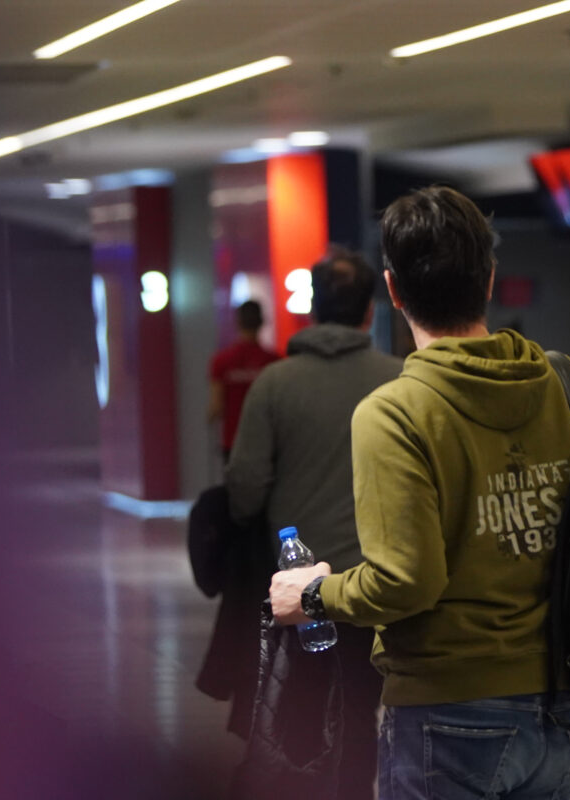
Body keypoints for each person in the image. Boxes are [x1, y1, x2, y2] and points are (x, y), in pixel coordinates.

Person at [268, 186, 570, 800]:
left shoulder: (396, 412)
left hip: (450, 706)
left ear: (393, 292)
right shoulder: (569, 384)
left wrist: (313, 594)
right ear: (490, 278)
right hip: (564, 698)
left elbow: (407, 581)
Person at [226, 250, 403, 799]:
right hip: (380, 587)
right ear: (370, 312)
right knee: (360, 713)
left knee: (299, 716)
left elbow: (245, 488)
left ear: (311, 311)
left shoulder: (275, 385)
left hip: (299, 590)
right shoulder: (399, 380)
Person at [208, 299, 280, 460]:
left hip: (233, 442)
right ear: (262, 322)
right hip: (266, 441)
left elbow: (216, 407)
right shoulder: (274, 361)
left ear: (238, 322)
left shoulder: (222, 361)